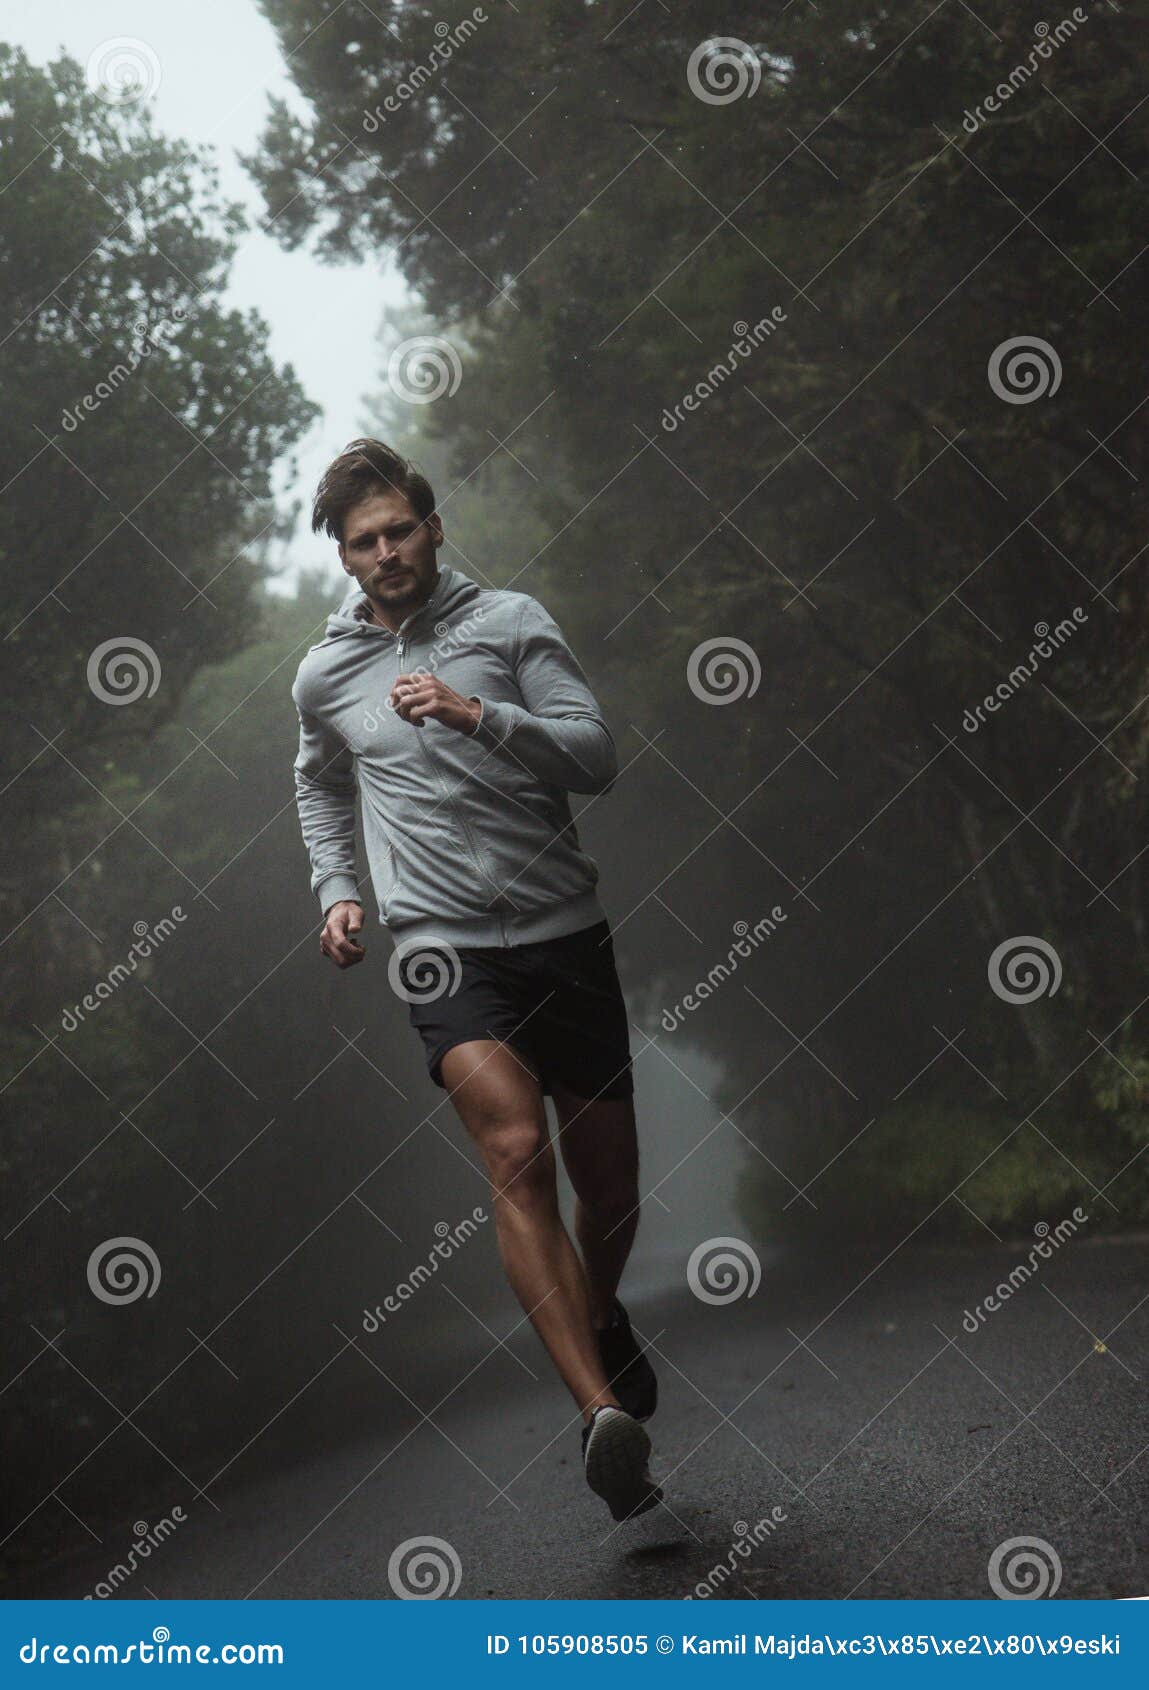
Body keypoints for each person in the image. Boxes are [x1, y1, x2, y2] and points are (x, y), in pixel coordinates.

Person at [292, 438, 660, 1522]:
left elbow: (594, 754)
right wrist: (336, 888)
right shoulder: (325, 675)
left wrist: (474, 715)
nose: (386, 551)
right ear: (346, 558)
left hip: (564, 932)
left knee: (613, 1185)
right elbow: (318, 788)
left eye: (400, 528)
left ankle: (599, 1313)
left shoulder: (508, 622)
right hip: (442, 947)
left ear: (433, 525)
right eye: (364, 542)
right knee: (512, 1152)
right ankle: (603, 1419)